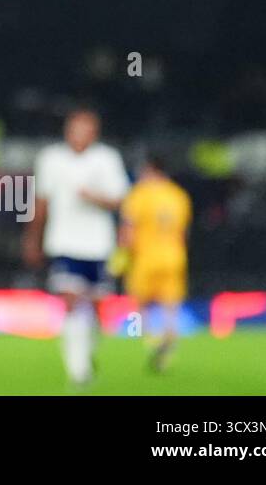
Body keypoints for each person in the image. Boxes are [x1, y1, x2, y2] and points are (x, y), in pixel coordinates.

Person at [23, 107, 130, 386]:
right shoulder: (51, 159)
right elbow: (42, 201)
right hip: (64, 242)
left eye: (85, 129)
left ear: (94, 132)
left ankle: (88, 352)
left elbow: (120, 200)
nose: (78, 134)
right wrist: (33, 238)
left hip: (97, 244)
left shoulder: (107, 159)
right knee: (70, 300)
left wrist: (93, 197)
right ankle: (77, 369)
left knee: (95, 305)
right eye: (74, 128)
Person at [118, 152, 191, 371]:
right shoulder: (179, 196)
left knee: (142, 305)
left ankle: (151, 343)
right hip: (174, 256)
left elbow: (129, 229)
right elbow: (184, 233)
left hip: (146, 256)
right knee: (171, 308)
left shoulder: (140, 194)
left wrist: (122, 256)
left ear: (149, 169)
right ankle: (168, 349)